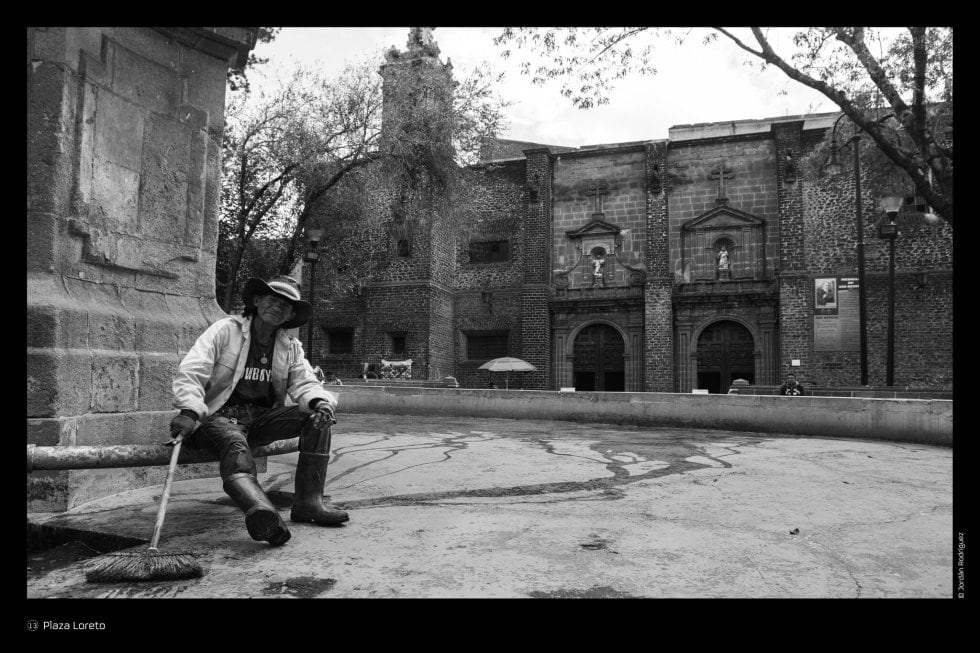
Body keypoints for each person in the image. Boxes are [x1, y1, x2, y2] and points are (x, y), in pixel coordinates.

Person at [169, 275, 348, 547]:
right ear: (257, 301)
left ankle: (309, 502)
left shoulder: (289, 346)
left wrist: (319, 402)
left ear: (290, 315)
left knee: (318, 418)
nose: (277, 307)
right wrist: (190, 410)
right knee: (235, 444)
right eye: (272, 300)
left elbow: (305, 381)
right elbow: (192, 371)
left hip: (261, 419)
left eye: (286, 306)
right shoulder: (225, 330)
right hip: (220, 417)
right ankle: (262, 513)